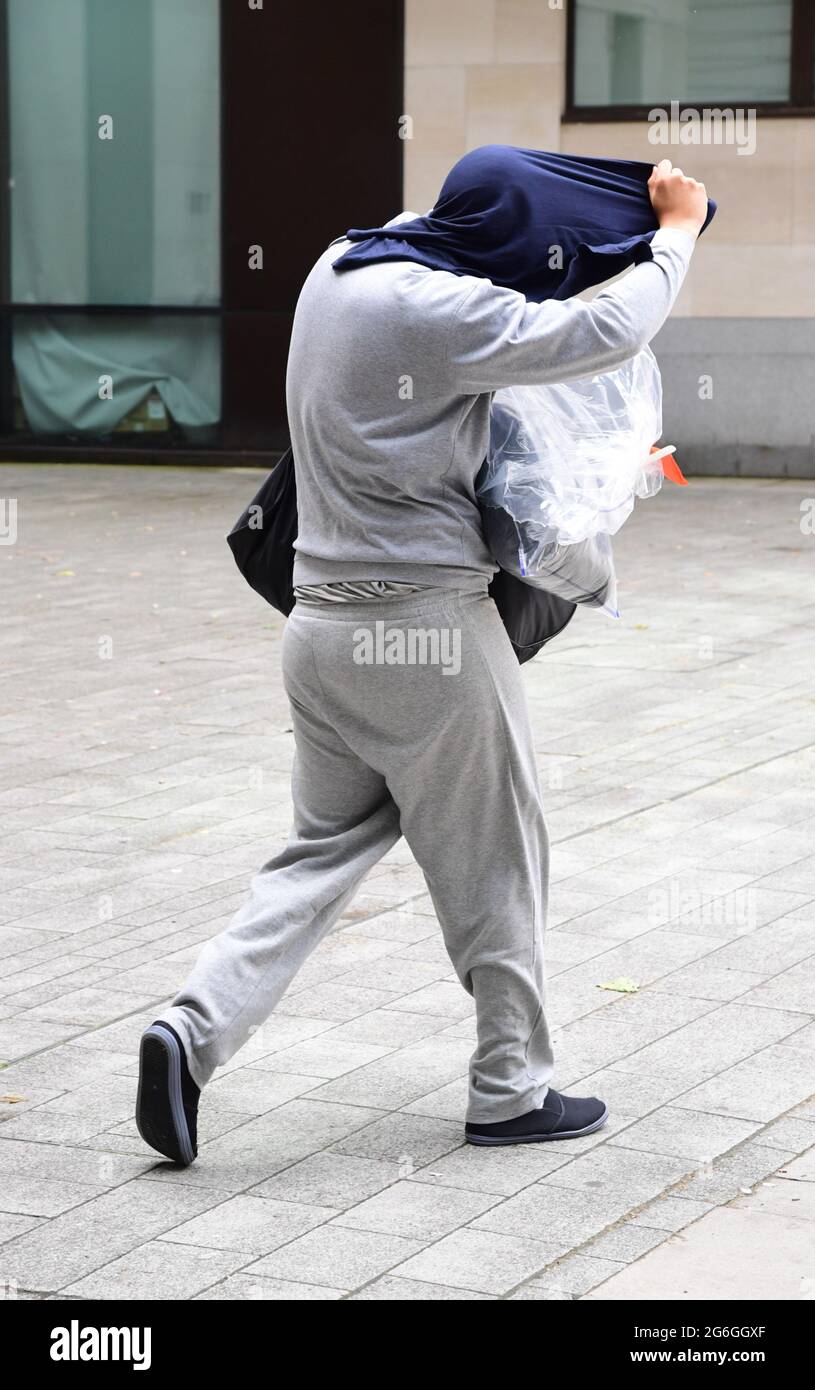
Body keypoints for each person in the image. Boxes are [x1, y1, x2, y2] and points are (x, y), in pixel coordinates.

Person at [136, 150, 709, 1166]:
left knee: (319, 852)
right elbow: (602, 330)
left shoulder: (339, 269)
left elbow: (465, 215)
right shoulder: (443, 316)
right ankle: (509, 1089)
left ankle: (192, 1025)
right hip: (426, 634)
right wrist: (672, 229)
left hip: (316, 631)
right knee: (498, 857)